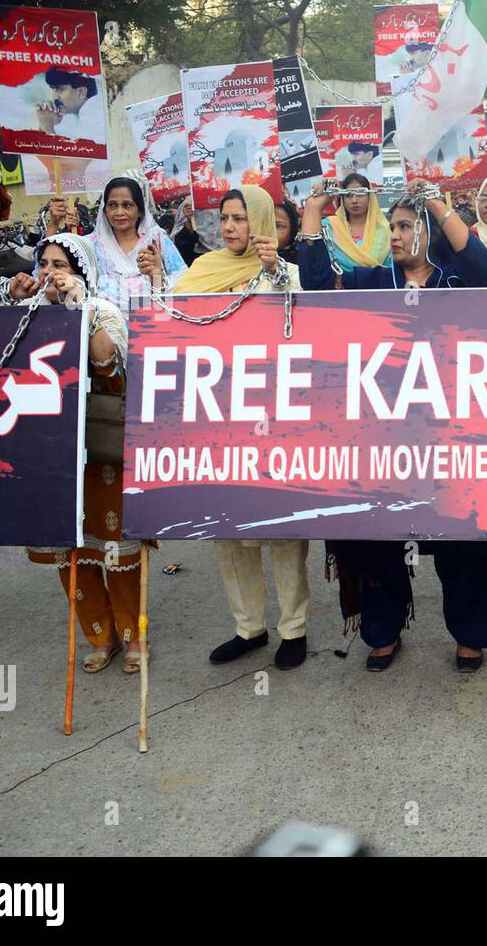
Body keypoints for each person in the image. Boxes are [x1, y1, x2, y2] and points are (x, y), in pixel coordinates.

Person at [299, 181, 487, 673]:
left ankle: (470, 635)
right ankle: (381, 631)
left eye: (405, 226)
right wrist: (313, 212)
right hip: (381, 436)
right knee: (377, 536)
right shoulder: (371, 281)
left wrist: (438, 204)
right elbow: (313, 289)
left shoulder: (456, 283)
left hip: (451, 435)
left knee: (461, 537)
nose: (393, 235)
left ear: (428, 231)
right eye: (391, 226)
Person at [0, 234, 148, 672]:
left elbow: (108, 363)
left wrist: (78, 306)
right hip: (46, 451)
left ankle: (134, 639)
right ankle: (99, 637)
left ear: (81, 272)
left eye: (61, 265)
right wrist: (7, 292)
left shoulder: (100, 309)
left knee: (113, 547)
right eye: (44, 264)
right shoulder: (24, 315)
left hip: (97, 449)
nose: (50, 273)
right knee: (68, 550)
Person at [173, 186, 312, 671]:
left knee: (281, 527)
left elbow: (308, 322)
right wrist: (153, 280)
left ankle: (293, 629)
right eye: (224, 219)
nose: (230, 227)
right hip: (216, 419)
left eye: (240, 218)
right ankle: (248, 627)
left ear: (259, 222)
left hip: (273, 418)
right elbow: (170, 321)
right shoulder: (200, 273)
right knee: (227, 529)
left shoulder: (285, 273)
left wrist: (274, 273)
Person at [87, 173, 186, 311]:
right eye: (113, 205)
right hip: (106, 327)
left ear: (140, 210)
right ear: (105, 210)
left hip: (153, 323)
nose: (119, 212)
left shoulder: (156, 239)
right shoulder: (91, 245)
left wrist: (157, 277)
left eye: (127, 205)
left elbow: (183, 281)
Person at [317, 172, 391, 275]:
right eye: (348, 195)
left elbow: (392, 268)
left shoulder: (386, 230)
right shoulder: (329, 226)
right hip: (339, 288)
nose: (354, 200)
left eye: (360, 194)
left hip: (379, 288)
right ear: (342, 199)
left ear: (370, 197)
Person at [36, 68, 104, 144]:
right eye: (53, 89)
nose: (55, 97)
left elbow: (75, 153)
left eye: (60, 89)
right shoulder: (74, 118)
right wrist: (48, 123)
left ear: (81, 92)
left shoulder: (94, 113)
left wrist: (47, 126)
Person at [273, 199, 300, 264]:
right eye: (264, 224)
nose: (270, 231)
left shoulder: (303, 262)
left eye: (279, 226)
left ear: (292, 230)